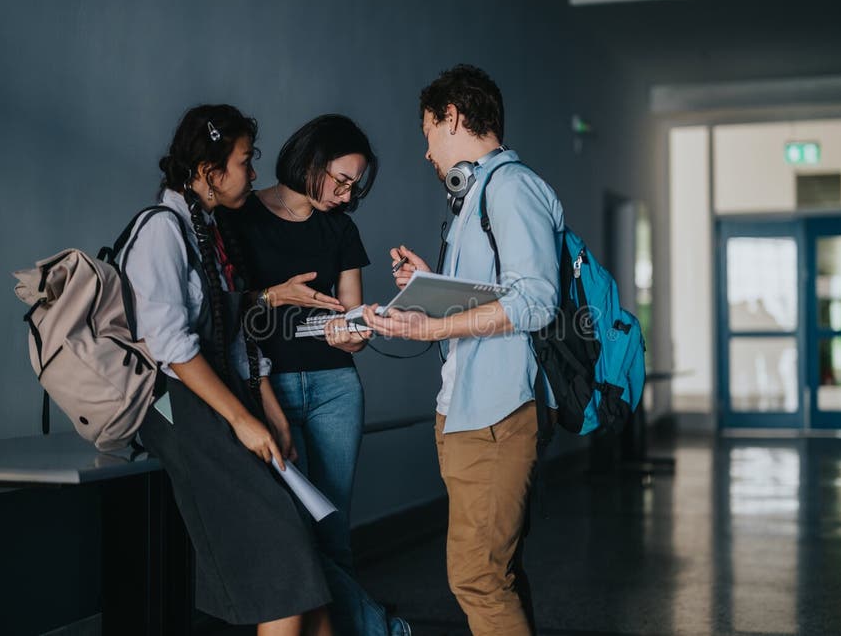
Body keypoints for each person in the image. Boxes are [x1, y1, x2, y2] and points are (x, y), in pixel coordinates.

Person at [362, 65, 565, 636]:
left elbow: (536, 301)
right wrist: (431, 283)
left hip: (498, 412)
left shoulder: (510, 187)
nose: (426, 151)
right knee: (495, 573)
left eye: (427, 130)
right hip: (470, 409)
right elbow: (491, 294)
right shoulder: (479, 195)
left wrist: (430, 330)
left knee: (477, 577)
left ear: (452, 117)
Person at [122, 104, 331, 635]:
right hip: (181, 409)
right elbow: (172, 346)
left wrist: (271, 411)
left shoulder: (206, 231)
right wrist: (241, 419)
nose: (253, 173)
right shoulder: (162, 232)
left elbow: (234, 339)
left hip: (222, 400)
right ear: (210, 174)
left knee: (304, 566)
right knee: (283, 559)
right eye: (245, 161)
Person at [227, 114, 410, 636]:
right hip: (269, 389)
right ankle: (380, 630)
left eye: (356, 186)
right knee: (290, 536)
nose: (348, 195)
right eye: (343, 180)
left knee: (332, 536)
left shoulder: (340, 228)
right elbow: (223, 312)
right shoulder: (241, 218)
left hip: (335, 389)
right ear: (311, 160)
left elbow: (353, 317)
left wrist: (355, 332)